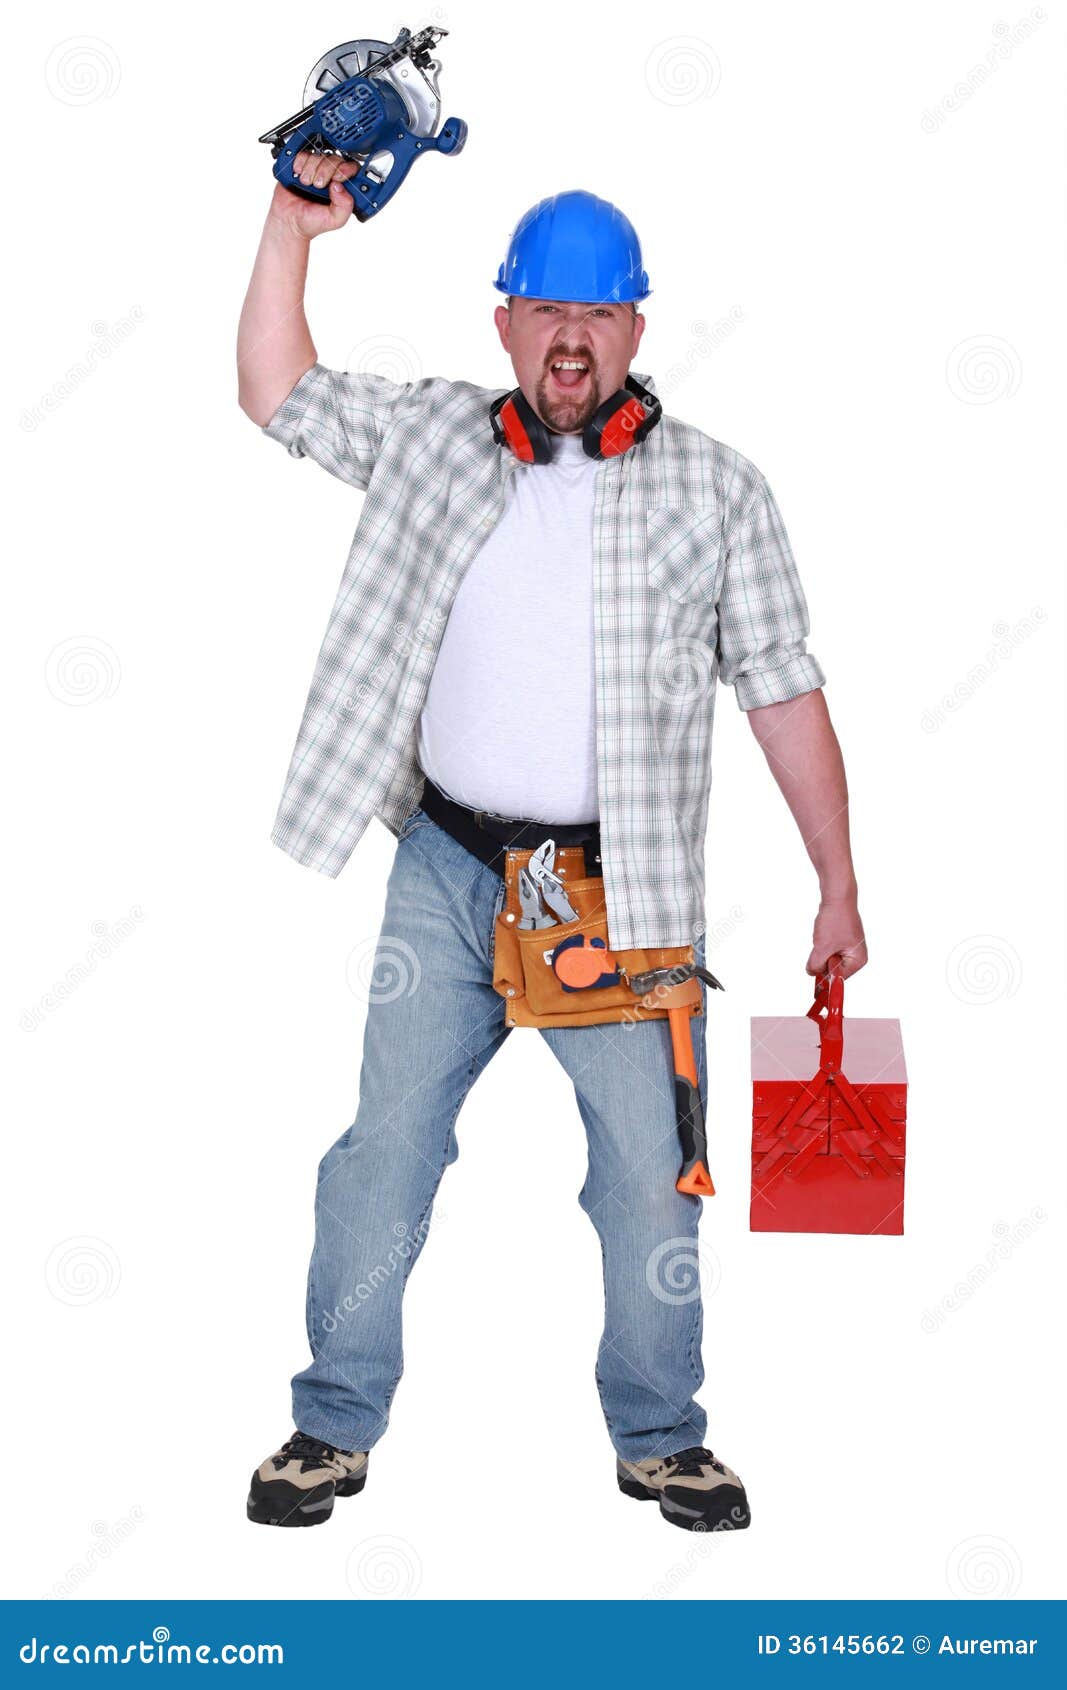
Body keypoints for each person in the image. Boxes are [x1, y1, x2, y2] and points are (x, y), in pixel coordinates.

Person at [236, 163, 867, 1535]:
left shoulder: (718, 490)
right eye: (546, 308)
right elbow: (276, 386)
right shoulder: (431, 439)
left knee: (653, 1175)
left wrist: (839, 881)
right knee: (382, 1155)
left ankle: (661, 1436)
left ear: (638, 328)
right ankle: (329, 1424)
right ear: (506, 323)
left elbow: (780, 684)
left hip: (623, 898)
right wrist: (292, 226)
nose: (571, 334)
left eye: (600, 308)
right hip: (446, 876)